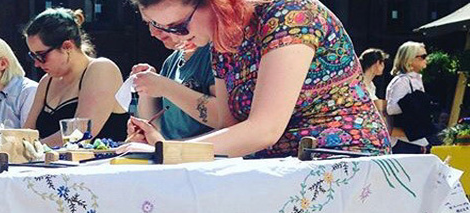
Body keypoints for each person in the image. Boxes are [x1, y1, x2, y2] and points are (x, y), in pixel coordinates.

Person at [126, 0, 391, 158]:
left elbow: (264, 129)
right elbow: (229, 126)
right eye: (157, 26)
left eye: (177, 26)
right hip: (278, 170)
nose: (171, 37)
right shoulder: (224, 41)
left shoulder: (289, 14)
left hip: (342, 160)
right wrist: (162, 147)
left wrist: (169, 152)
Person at [23, 7, 130, 145]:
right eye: (33, 56)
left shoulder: (101, 69)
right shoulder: (47, 81)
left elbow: (81, 134)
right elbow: (26, 133)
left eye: (41, 56)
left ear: (67, 46)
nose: (37, 64)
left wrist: (30, 149)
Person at [132, 32, 216, 140]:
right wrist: (145, 91)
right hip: (169, 152)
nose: (153, 32)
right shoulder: (171, 61)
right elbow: (157, 126)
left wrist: (165, 87)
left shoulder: (213, 55)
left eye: (158, 23)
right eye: (148, 23)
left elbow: (224, 119)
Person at [386, 41, 433, 154]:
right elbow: (391, 108)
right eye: (423, 56)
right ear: (410, 59)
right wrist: (413, 105)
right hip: (404, 142)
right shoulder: (402, 81)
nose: (426, 59)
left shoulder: (416, 80)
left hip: (416, 140)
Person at [359, 48, 388, 115]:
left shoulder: (372, 85)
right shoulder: (359, 84)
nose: (383, 66)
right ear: (378, 63)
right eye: (382, 62)